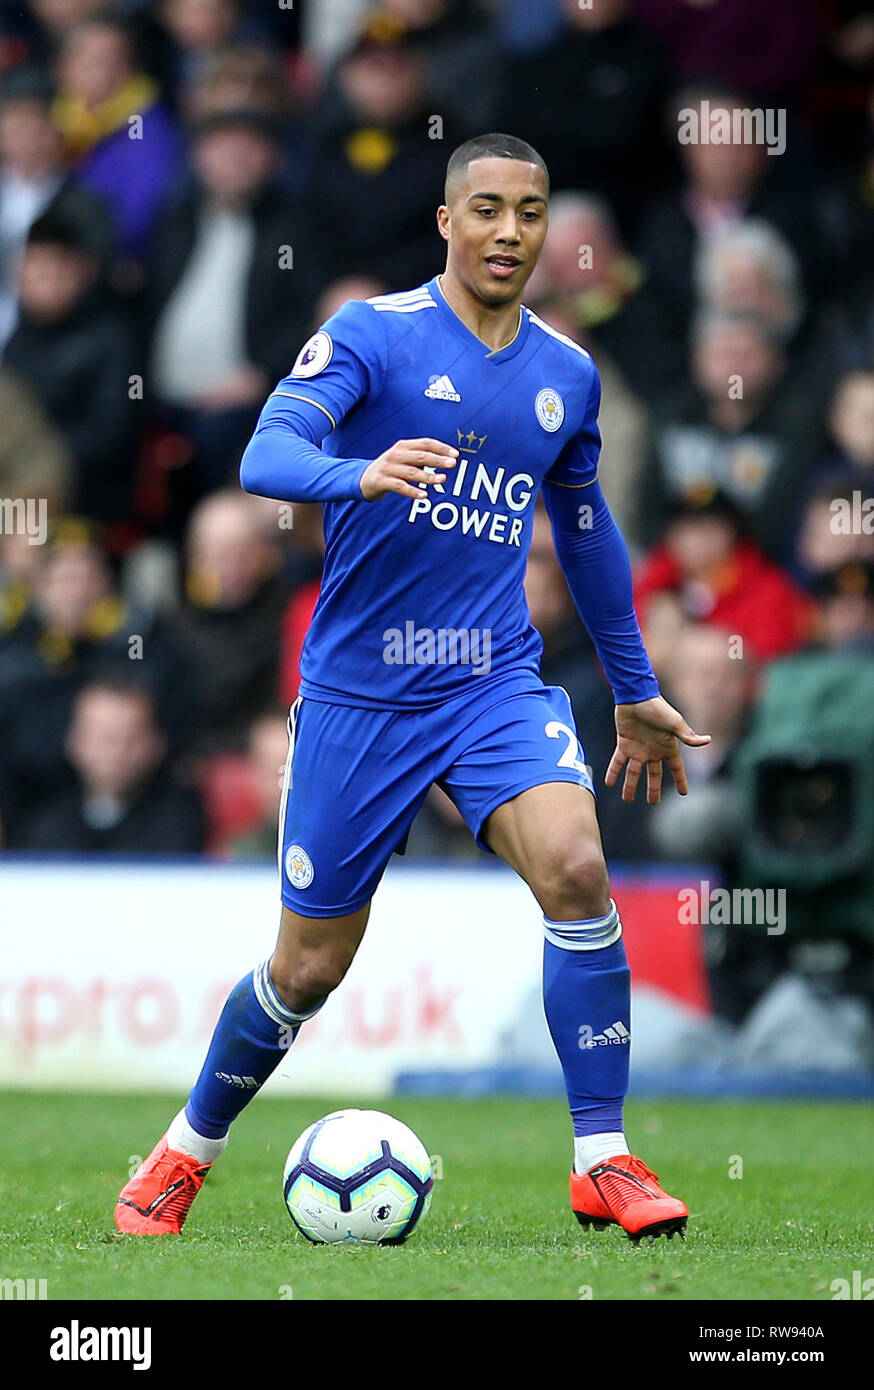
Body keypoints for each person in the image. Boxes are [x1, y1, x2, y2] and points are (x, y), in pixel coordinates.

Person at [116, 133, 710, 1244]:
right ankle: (184, 1152)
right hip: (358, 697)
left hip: (490, 680)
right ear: (447, 221)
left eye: (528, 213)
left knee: (579, 867)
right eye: (485, 209)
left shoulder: (565, 372)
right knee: (307, 966)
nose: (507, 232)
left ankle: (604, 1158)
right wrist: (360, 471)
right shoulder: (371, 336)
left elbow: (582, 533)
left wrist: (633, 687)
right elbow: (265, 453)